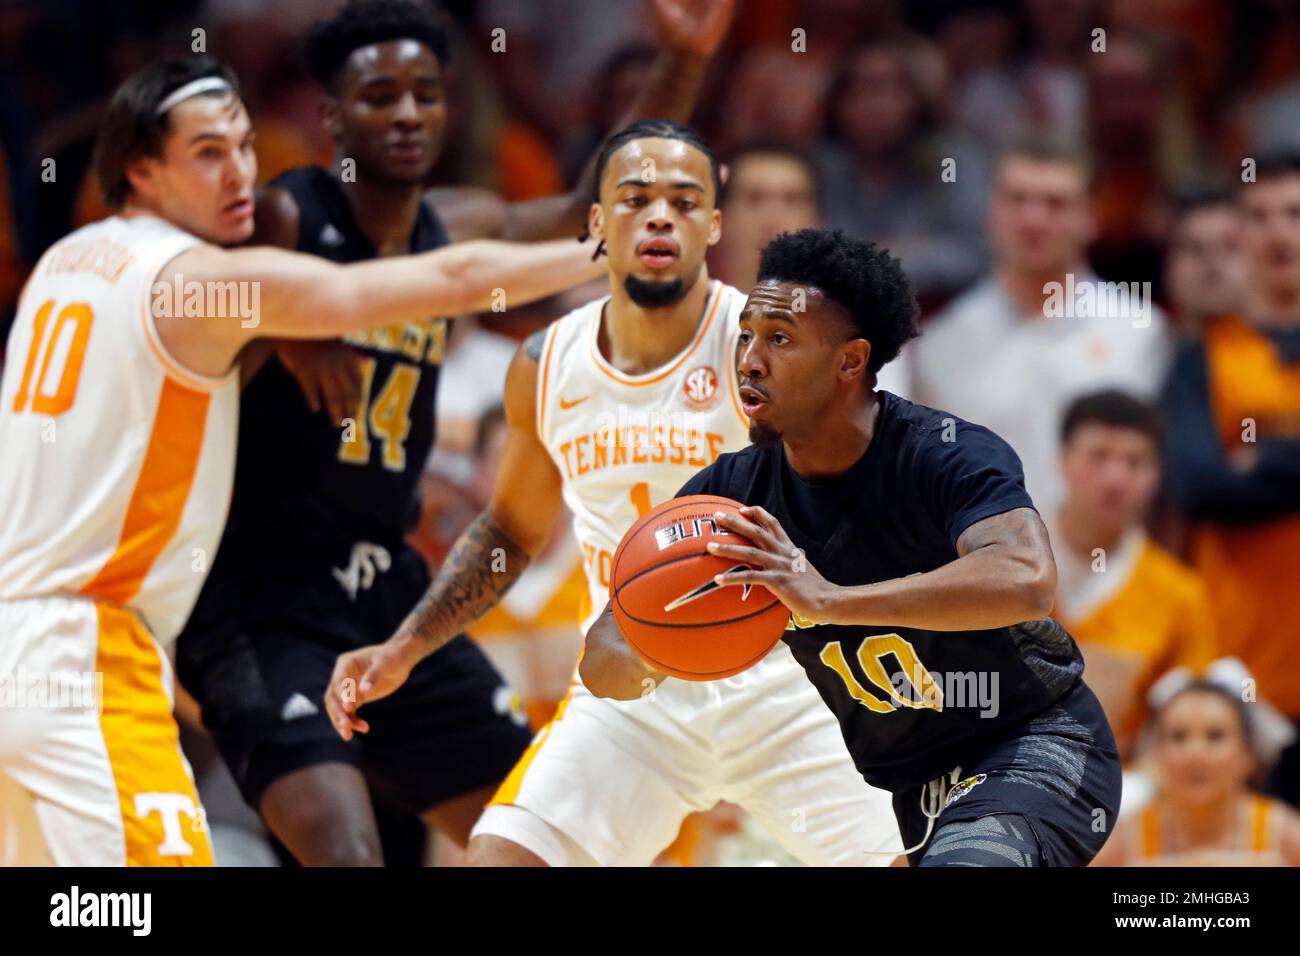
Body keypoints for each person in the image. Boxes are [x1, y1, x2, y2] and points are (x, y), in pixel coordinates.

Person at [175, 0, 737, 866]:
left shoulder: (457, 223)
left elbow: (592, 207)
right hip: (261, 597)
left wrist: (679, 59)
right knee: (345, 852)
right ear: (332, 115)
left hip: (384, 585)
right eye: (379, 95)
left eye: (426, 94)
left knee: (547, 842)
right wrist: (283, 316)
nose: (406, 113)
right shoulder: (289, 217)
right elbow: (183, 290)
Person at [0, 55, 600, 867]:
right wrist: (607, 254)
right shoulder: (189, 285)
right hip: (85, 652)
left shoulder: (62, 266)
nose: (241, 172)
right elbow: (425, 280)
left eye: (245, 146)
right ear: (141, 169)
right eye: (208, 153)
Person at [325, 121, 902, 867]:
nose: (659, 215)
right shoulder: (545, 363)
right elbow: (507, 533)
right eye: (635, 199)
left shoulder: (776, 348)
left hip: (791, 684)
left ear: (714, 227)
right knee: (501, 858)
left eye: (684, 201)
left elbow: (866, 511)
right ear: (597, 223)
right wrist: (404, 649)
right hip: (629, 696)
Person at [584, 228, 1123, 866]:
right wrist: (656, 648)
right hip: (907, 791)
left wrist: (830, 600)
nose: (750, 360)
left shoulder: (944, 452)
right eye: (747, 335)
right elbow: (607, 649)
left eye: (779, 339)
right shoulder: (729, 495)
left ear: (850, 360)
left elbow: (1028, 577)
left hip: (1032, 741)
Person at [913, 141, 1173, 512]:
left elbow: (1162, 480)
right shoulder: (941, 343)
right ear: (991, 211)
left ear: (1092, 216)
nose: (1033, 220)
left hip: (1112, 565)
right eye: (1017, 200)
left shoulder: (1142, 331)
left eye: (1056, 204)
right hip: (982, 562)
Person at [1163, 153, 1300, 808]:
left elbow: (1234, 478)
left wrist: (1263, 460)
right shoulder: (1203, 355)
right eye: (1259, 216)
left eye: (1295, 215)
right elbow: (1199, 484)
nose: (1279, 234)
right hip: (1247, 671)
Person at [1049, 390, 1214, 760]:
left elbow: (1187, 719)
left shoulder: (1179, 594)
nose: (1115, 478)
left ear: (1157, 475)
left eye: (1135, 462)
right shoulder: (1002, 561)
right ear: (1063, 461)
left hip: (1116, 789)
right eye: (1099, 456)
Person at [1093, 676, 1300, 866]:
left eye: (1215, 736)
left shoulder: (1286, 837)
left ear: (1248, 753)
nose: (1195, 754)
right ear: (1156, 753)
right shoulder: (1124, 842)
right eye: (1178, 736)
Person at [1163, 190, 1245, 339]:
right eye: (1194, 248)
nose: (1212, 263)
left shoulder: (1287, 355)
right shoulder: (1139, 352)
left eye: (1229, 246)